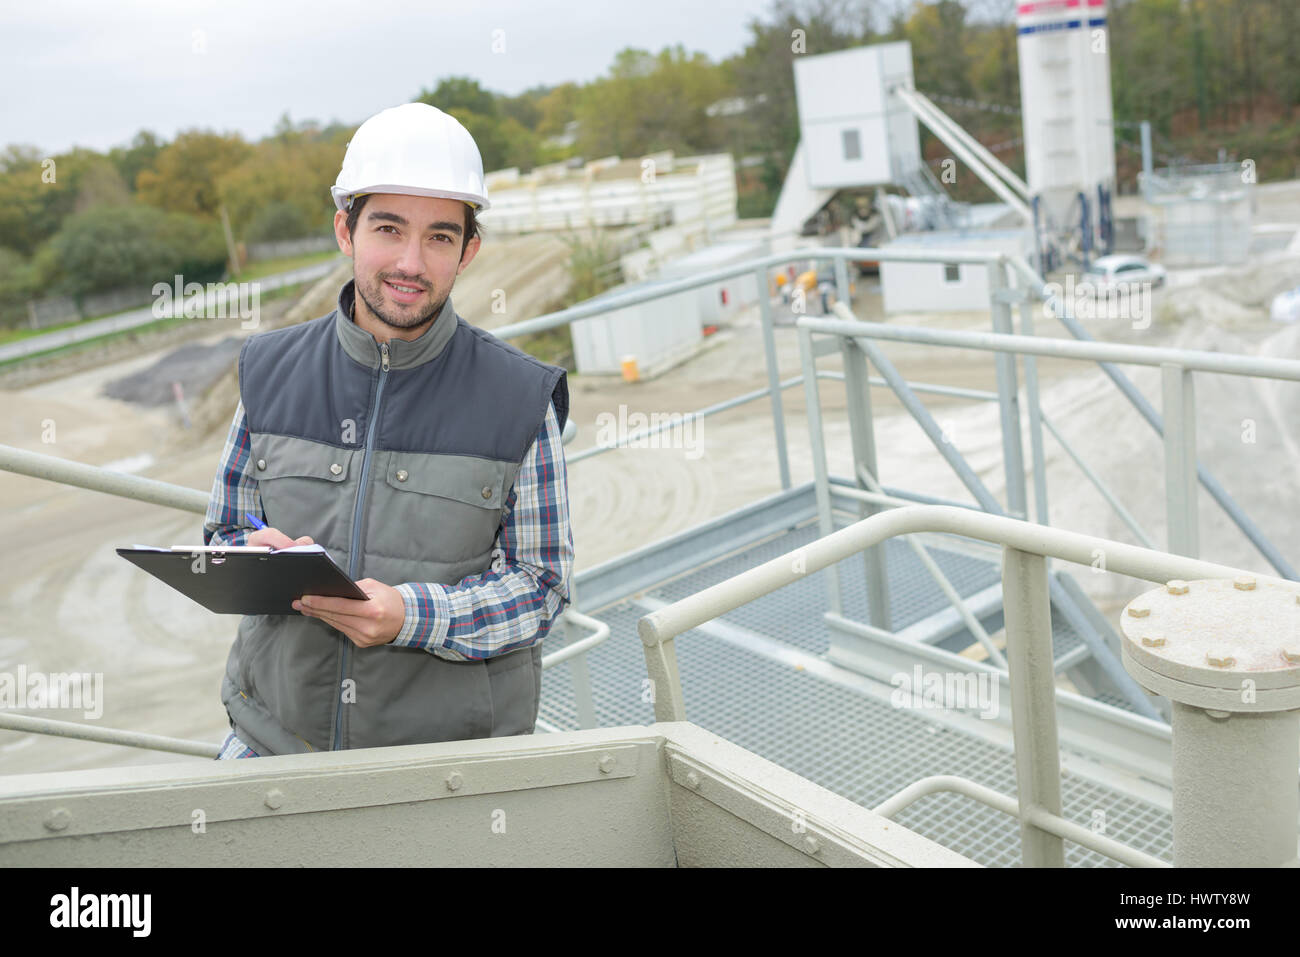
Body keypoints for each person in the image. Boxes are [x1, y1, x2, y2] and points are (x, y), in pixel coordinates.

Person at [203, 102, 573, 758]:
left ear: (469, 251)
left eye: (439, 236)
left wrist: (411, 616)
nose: (410, 261)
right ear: (346, 231)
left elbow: (541, 587)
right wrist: (251, 557)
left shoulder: (521, 397)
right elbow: (223, 532)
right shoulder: (268, 371)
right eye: (389, 228)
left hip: (444, 763)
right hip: (270, 741)